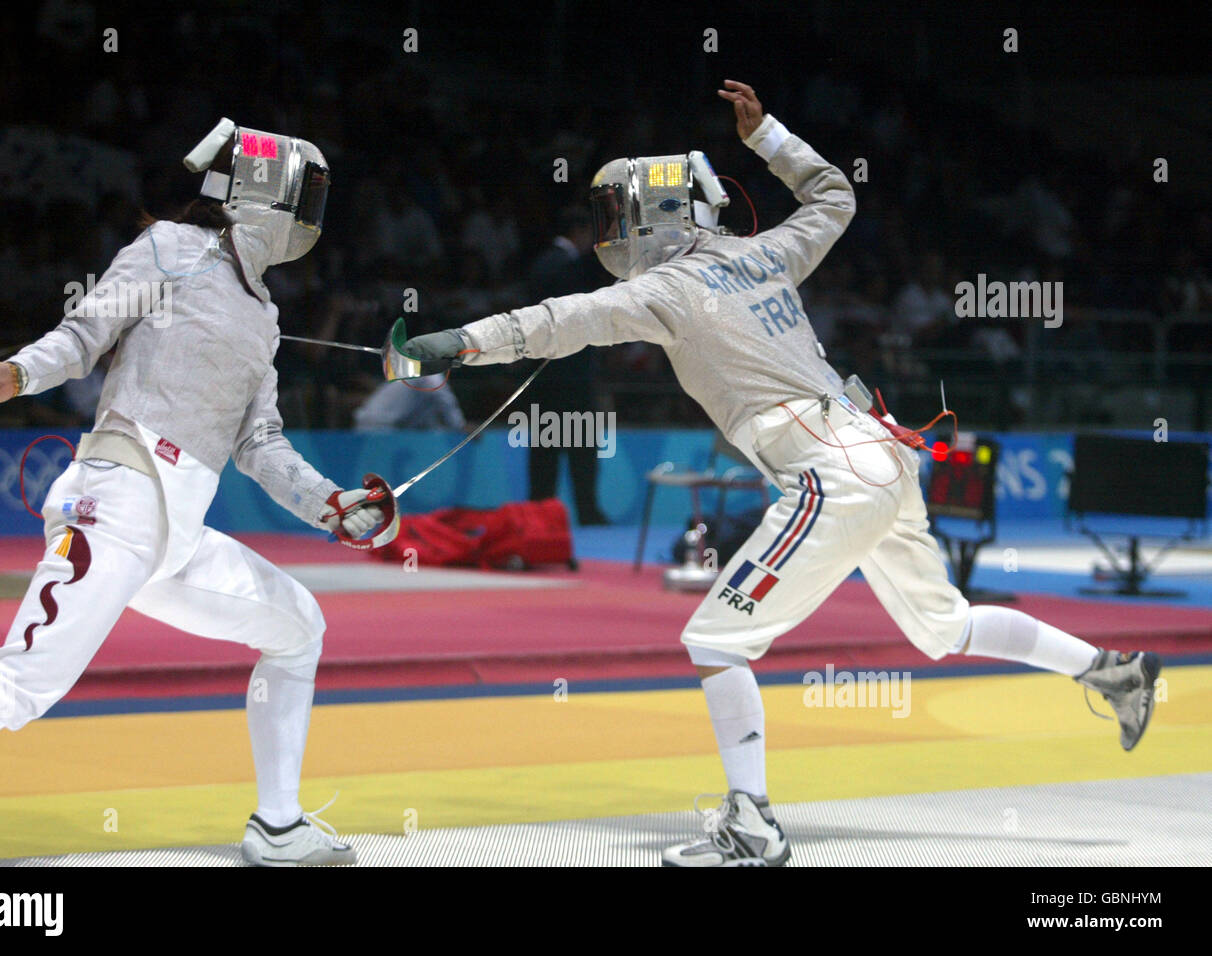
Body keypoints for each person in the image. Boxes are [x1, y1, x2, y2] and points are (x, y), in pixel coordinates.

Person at [401, 80, 1162, 867]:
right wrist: (768, 138)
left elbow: (558, 321)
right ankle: (1114, 671)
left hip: (831, 470)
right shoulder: (763, 254)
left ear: (654, 215)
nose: (607, 234)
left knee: (716, 640)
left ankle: (752, 826)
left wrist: (456, 342)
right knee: (944, 626)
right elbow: (835, 196)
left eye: (614, 216)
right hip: (881, 451)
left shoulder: (665, 288)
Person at [0, 119, 384, 867]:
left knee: (299, 627)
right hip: (116, 504)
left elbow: (259, 442)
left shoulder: (263, 314)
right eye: (308, 195)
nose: (312, 217)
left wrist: (336, 506)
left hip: (178, 535)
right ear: (262, 194)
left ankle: (278, 825)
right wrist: (21, 371)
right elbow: (84, 332)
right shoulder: (170, 246)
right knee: (13, 693)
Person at [525, 208, 610, 524]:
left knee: (546, 449)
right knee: (581, 447)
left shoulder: (543, 262)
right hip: (570, 374)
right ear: (580, 232)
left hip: (545, 374)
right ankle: (587, 510)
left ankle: (539, 511)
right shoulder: (569, 267)